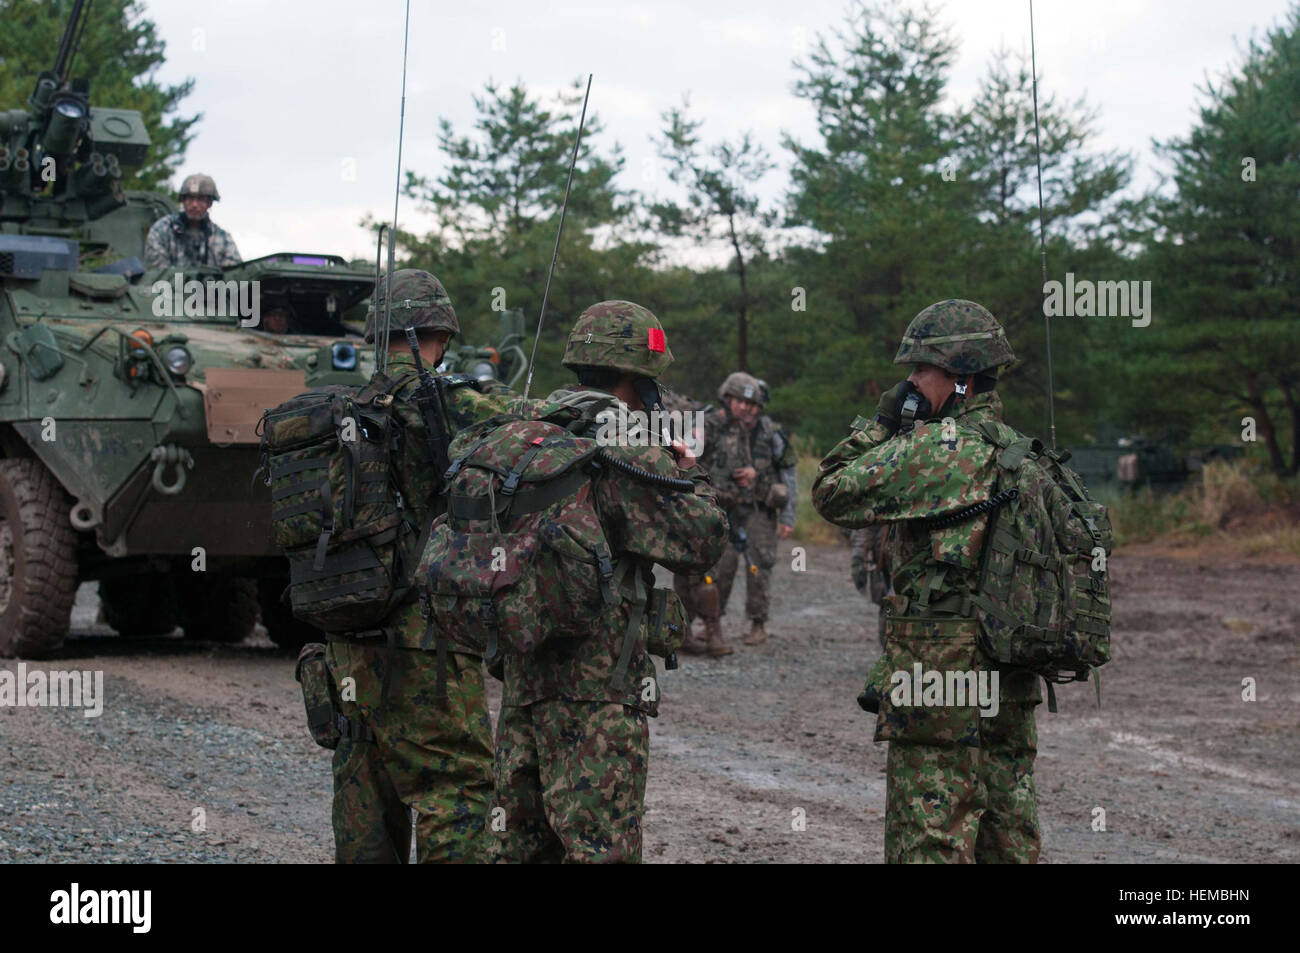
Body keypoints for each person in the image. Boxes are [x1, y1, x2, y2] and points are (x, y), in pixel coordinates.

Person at [492, 300, 727, 863]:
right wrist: (685, 471)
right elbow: (703, 541)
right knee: (601, 848)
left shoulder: (528, 434)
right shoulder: (627, 449)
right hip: (598, 689)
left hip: (522, 677)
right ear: (637, 381)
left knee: (515, 847)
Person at [812, 299, 1043, 865]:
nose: (910, 380)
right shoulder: (1027, 456)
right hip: (1011, 669)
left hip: (940, 671)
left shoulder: (936, 450)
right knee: (1006, 825)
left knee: (930, 828)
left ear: (961, 378)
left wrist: (885, 420)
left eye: (921, 370)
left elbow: (832, 490)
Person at [326, 269, 514, 863]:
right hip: (425, 638)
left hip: (348, 628)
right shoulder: (442, 399)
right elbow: (534, 428)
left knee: (365, 782)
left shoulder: (343, 406)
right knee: (455, 786)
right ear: (438, 333)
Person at [690, 371, 797, 651]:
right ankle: (713, 623)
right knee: (722, 566)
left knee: (759, 565)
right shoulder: (717, 426)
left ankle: (758, 623)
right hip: (725, 506)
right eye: (741, 402)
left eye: (752, 405)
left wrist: (787, 516)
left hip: (759, 509)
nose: (747, 409)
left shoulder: (771, 433)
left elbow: (788, 475)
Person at [144, 173, 242, 269]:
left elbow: (234, 274)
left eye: (200, 199)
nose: (194, 205)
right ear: (183, 200)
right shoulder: (162, 230)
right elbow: (157, 271)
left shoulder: (222, 238)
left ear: (209, 203)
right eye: (190, 198)